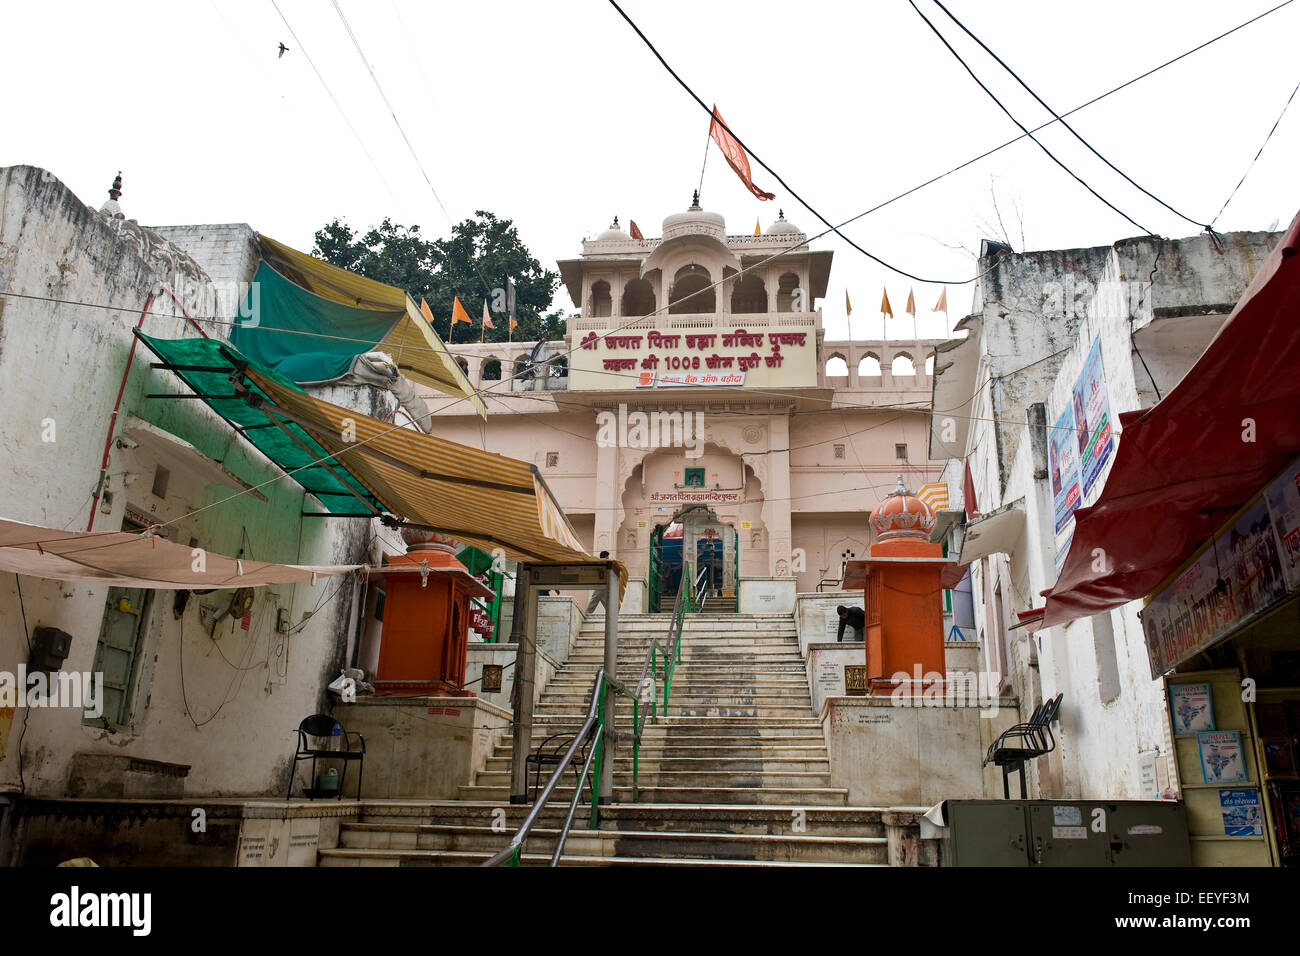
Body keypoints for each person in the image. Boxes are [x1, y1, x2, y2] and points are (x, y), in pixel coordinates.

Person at [586, 551, 611, 616]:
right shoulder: (602, 563)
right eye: (607, 556)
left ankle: (612, 614)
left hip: (603, 585)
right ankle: (587, 613)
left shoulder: (602, 563)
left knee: (606, 601)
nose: (608, 557)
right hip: (600, 584)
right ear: (605, 556)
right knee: (595, 599)